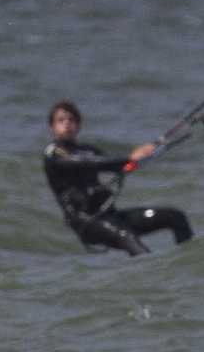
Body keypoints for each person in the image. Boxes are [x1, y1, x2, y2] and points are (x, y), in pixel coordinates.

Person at [43, 99, 193, 257]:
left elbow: (116, 165)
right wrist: (129, 158)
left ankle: (190, 265)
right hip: (87, 222)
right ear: (52, 127)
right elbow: (89, 162)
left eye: (71, 120)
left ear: (78, 125)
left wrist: (143, 153)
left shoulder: (88, 150)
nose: (67, 124)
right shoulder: (53, 153)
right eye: (60, 120)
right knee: (129, 239)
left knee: (175, 216)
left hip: (111, 217)